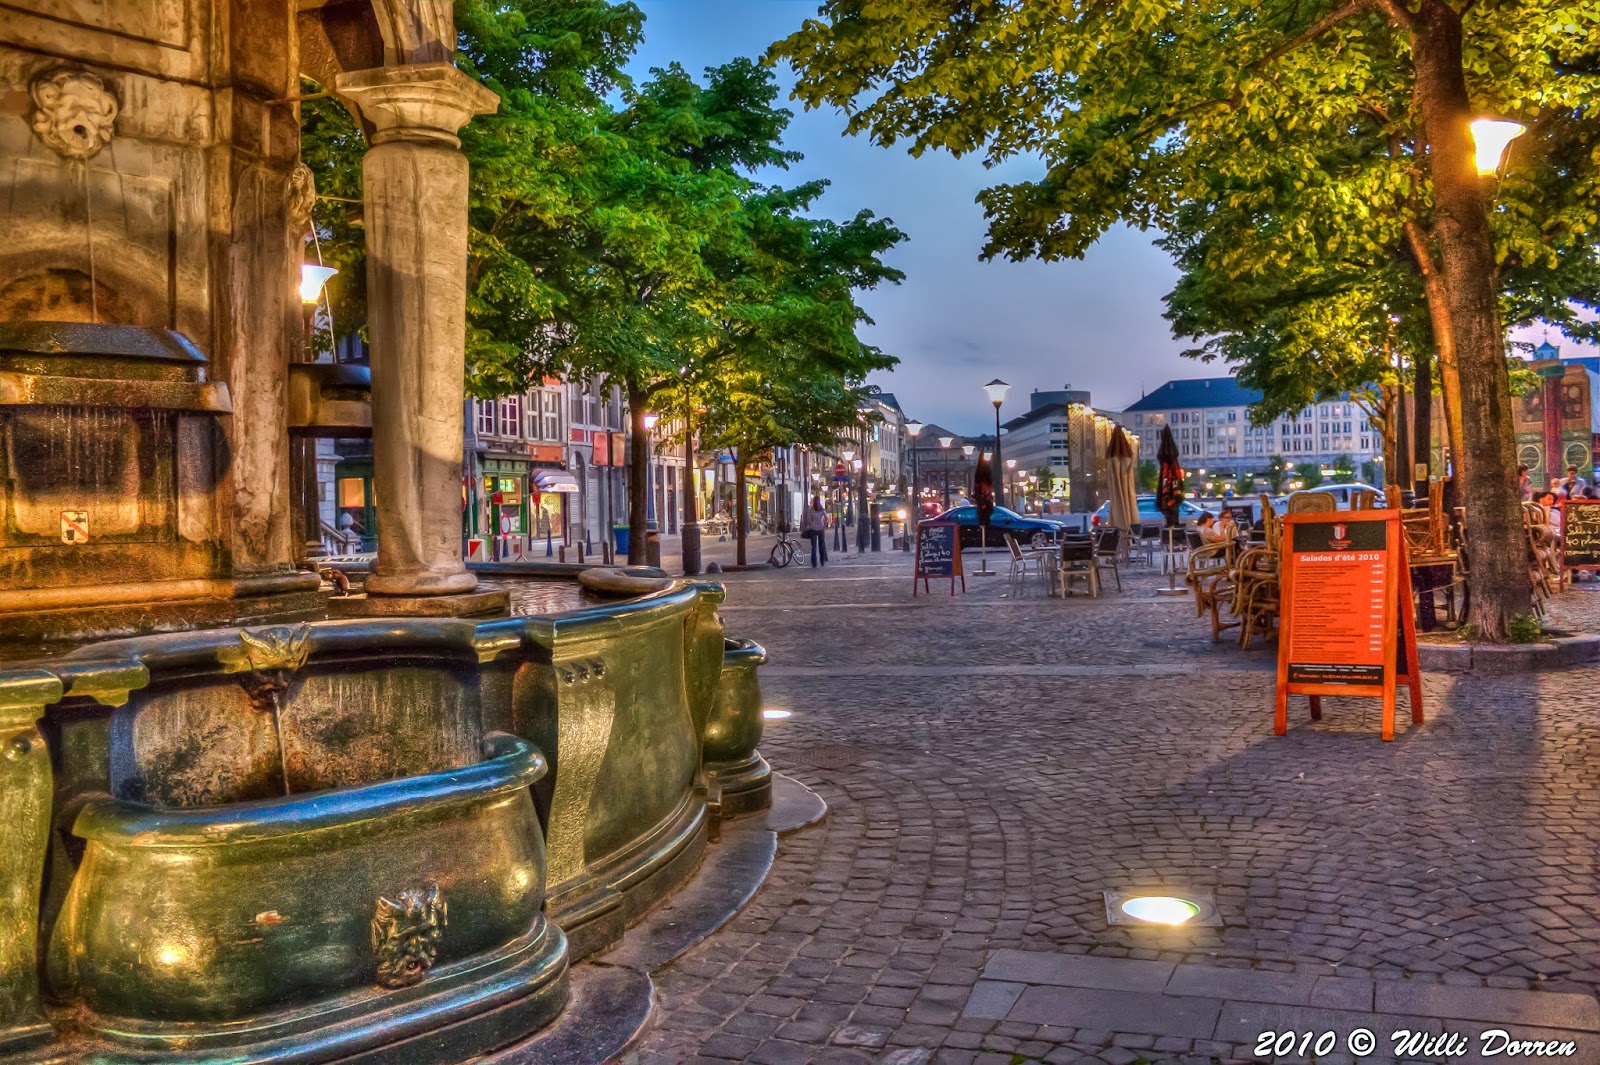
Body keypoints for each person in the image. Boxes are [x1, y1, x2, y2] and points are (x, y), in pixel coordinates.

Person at [800, 494, 829, 567]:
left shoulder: (811, 509)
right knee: (821, 545)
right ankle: (822, 561)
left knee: (814, 547)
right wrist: (824, 525)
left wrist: (811, 524)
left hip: (813, 529)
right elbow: (826, 518)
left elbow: (808, 519)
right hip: (821, 528)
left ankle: (814, 563)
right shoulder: (822, 509)